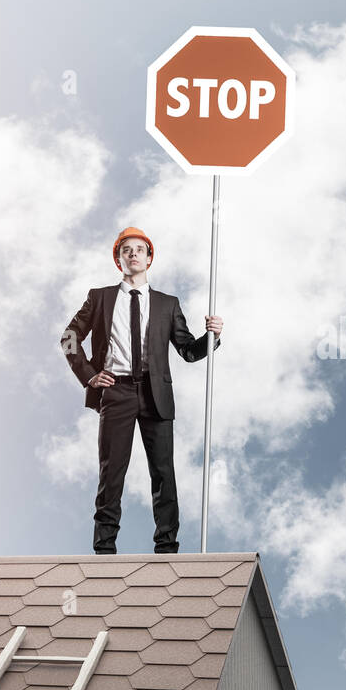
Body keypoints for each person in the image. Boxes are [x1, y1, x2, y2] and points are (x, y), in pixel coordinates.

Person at [60, 226, 223, 554]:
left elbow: (188, 351)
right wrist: (90, 376)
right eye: (126, 250)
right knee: (112, 470)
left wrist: (213, 338)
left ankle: (167, 548)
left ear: (150, 258)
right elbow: (69, 337)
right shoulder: (100, 297)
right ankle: (104, 550)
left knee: (163, 473)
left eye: (139, 249)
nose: (133, 254)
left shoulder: (168, 304)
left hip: (155, 394)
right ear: (119, 260)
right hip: (116, 393)